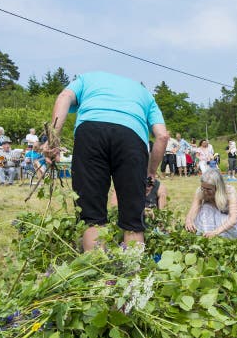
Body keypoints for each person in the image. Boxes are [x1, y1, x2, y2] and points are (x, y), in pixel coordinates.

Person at [46, 71, 169, 252]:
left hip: (90, 133)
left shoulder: (86, 80)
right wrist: (149, 174)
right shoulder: (145, 94)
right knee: (132, 218)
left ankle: (96, 270)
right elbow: (162, 136)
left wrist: (53, 140)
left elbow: (64, 97)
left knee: (91, 215)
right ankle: (133, 273)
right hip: (132, 138)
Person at [185, 169, 237, 238]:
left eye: (209, 189)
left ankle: (220, 236)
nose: (205, 192)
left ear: (218, 187)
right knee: (206, 207)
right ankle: (206, 236)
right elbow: (193, 210)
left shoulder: (229, 192)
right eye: (203, 188)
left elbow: (233, 219)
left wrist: (216, 232)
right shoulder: (200, 191)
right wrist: (189, 221)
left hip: (229, 220)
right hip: (213, 216)